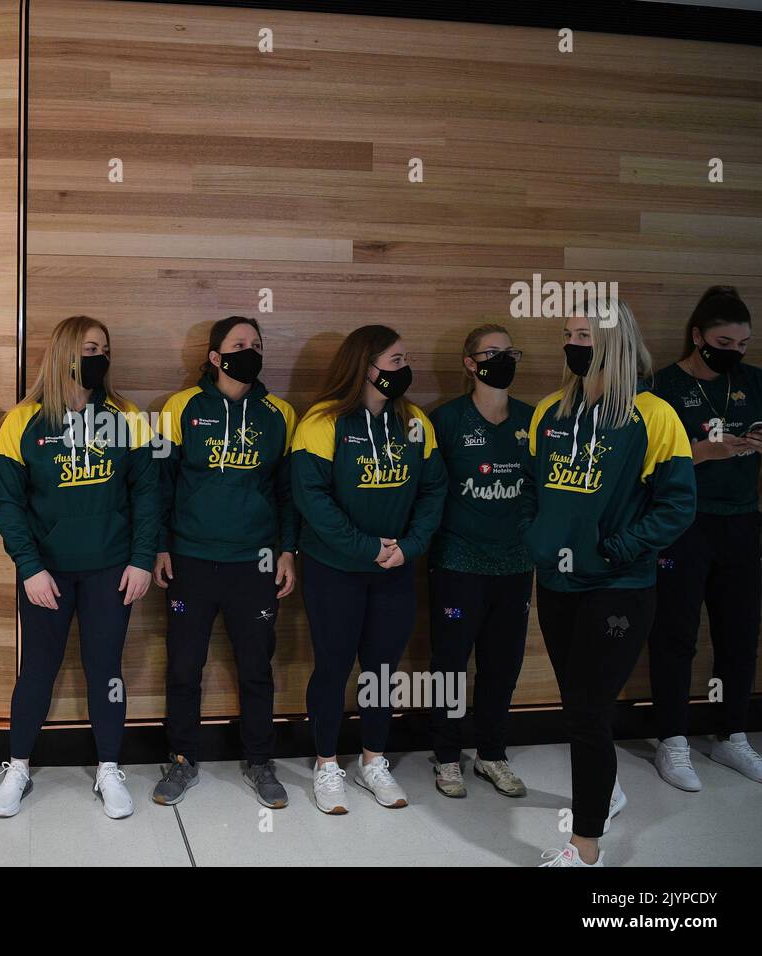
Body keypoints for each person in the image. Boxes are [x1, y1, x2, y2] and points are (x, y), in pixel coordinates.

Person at [524, 299, 696, 867]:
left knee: (588, 712)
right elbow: (532, 492)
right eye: (569, 333)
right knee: (580, 704)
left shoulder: (655, 415)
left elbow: (677, 507)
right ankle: (609, 791)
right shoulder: (549, 411)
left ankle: (586, 849)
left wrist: (614, 549)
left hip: (619, 587)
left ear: (616, 342)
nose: (575, 343)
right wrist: (538, 543)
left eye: (586, 334)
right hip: (556, 583)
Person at [0, 314, 158, 819]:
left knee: (106, 670)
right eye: (87, 347)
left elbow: (148, 495)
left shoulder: (127, 417)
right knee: (37, 669)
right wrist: (30, 567)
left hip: (111, 571)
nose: (97, 356)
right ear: (63, 353)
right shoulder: (23, 420)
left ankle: (109, 769)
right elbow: (6, 503)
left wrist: (143, 559)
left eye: (103, 348)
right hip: (48, 574)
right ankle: (17, 766)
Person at [290, 324, 446, 814]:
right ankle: (326, 764)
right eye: (396, 361)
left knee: (382, 670)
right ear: (366, 366)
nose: (405, 369)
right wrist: (366, 548)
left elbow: (434, 490)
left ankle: (372, 761)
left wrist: (410, 547)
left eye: (405, 359)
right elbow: (311, 499)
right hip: (333, 570)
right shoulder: (321, 421)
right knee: (333, 668)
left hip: (396, 570)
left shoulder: (415, 422)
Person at [150, 316, 297, 809]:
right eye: (239, 345)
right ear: (215, 357)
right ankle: (181, 760)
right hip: (190, 559)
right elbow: (158, 484)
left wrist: (288, 551)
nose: (250, 351)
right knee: (184, 667)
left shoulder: (280, 413)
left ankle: (260, 761)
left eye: (257, 344)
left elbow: (287, 492)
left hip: (254, 563)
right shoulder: (179, 408)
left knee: (256, 668)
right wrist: (159, 545)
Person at [648, 286, 762, 789]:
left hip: (742, 521)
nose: (733, 352)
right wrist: (701, 452)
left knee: (739, 634)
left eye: (742, 344)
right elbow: (645, 461)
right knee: (675, 633)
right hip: (682, 523)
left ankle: (731, 734)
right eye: (723, 341)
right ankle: (671, 740)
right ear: (697, 336)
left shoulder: (756, 382)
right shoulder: (660, 388)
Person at [427, 324, 534, 800]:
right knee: (450, 664)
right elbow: (427, 492)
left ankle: (492, 754)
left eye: (510, 352)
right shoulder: (445, 420)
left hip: (515, 566)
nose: (503, 360)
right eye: (492, 353)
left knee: (503, 666)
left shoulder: (536, 420)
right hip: (457, 563)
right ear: (470, 363)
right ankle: (447, 756)